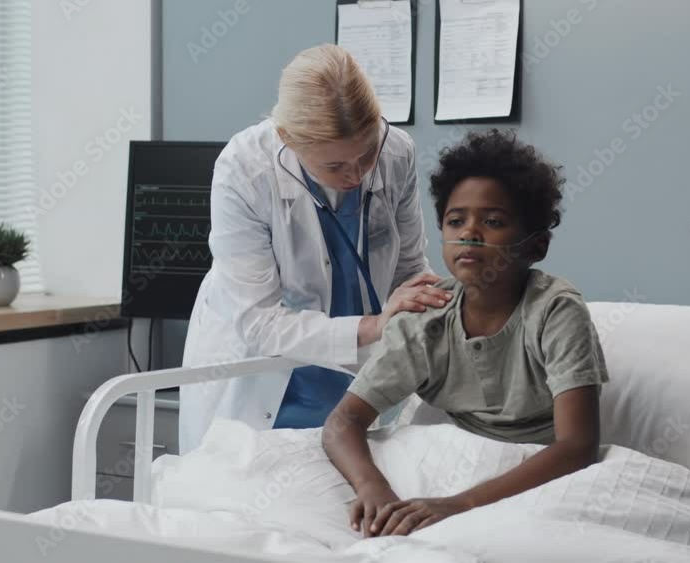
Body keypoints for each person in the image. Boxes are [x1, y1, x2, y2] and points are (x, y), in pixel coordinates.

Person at [322, 129, 609, 537]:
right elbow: (342, 423)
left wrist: (463, 504)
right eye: (456, 220)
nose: (469, 233)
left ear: (536, 246)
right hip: (454, 465)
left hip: (536, 475)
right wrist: (373, 488)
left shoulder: (555, 311)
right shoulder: (426, 316)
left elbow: (577, 446)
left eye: (493, 221)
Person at [179, 44, 452, 453]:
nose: (357, 174)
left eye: (366, 155)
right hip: (266, 378)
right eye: (335, 166)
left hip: (355, 373)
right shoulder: (244, 169)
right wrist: (375, 326)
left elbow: (408, 266)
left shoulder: (397, 152)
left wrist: (429, 303)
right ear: (288, 138)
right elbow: (259, 323)